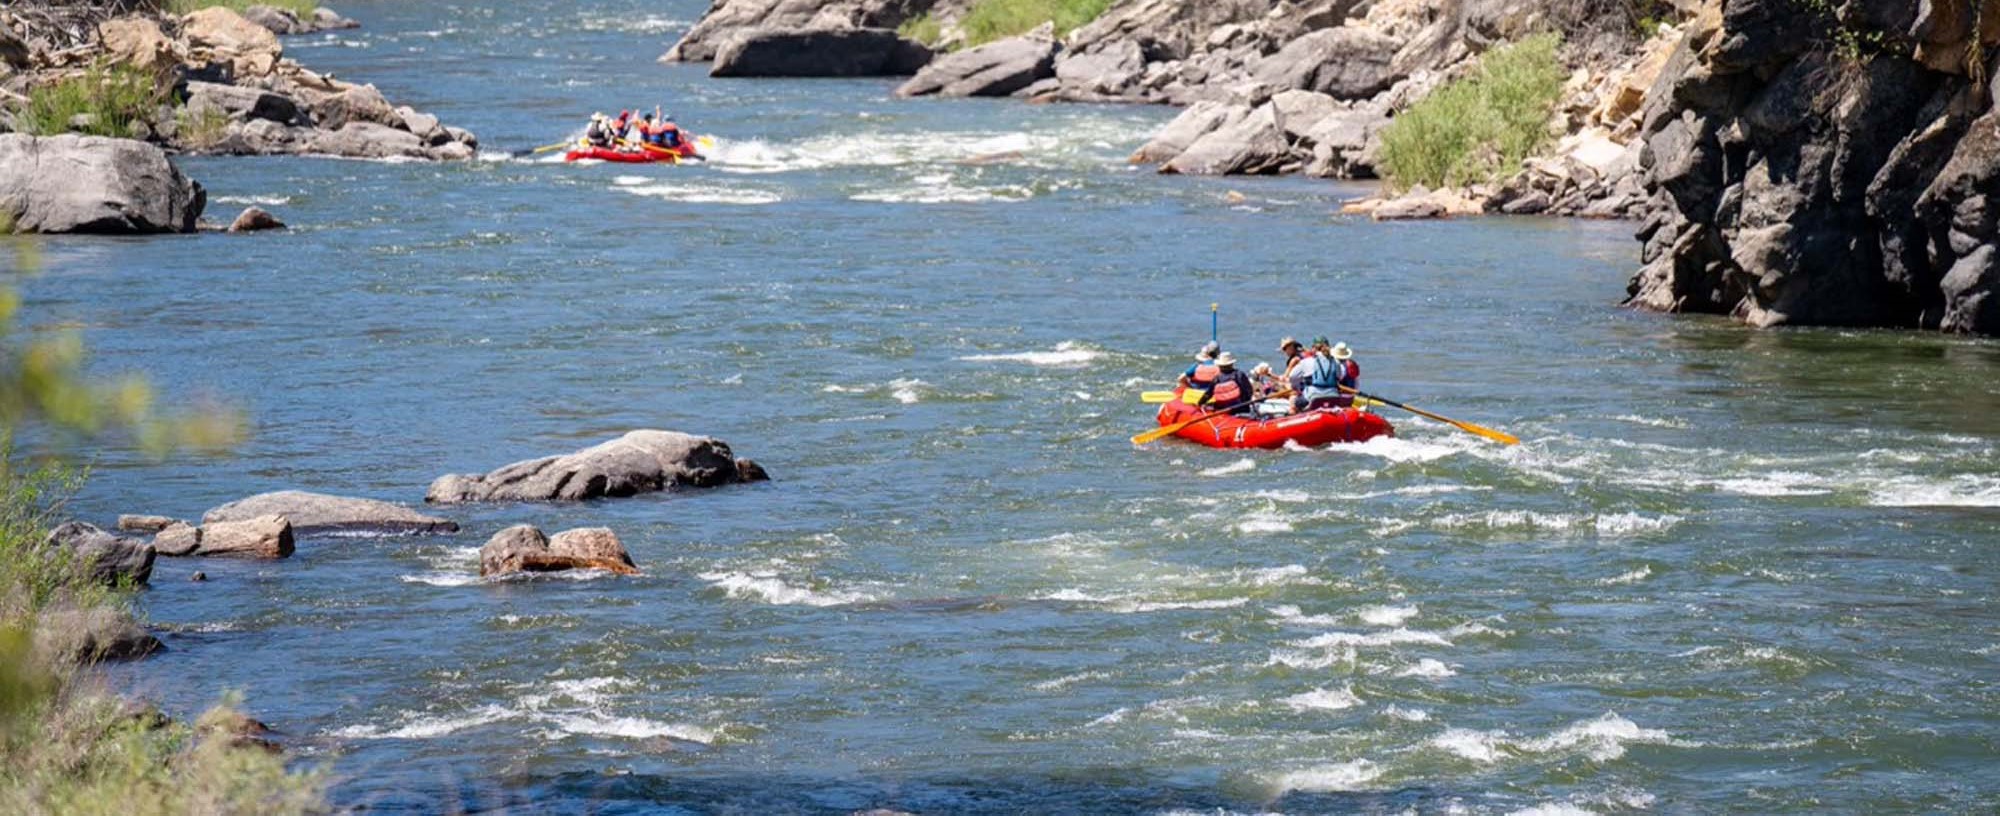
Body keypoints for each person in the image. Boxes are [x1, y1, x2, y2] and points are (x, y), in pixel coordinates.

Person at [1294, 336, 1350, 411]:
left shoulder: (1307, 361)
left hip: (1312, 396)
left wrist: (1297, 387)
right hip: (1333, 395)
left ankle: (1297, 414)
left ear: (1314, 348)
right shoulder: (1336, 362)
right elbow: (1340, 377)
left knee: (1297, 401)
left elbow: (1292, 377)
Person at [1199, 352, 1255, 416]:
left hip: (1223, 409)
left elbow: (1208, 394)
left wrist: (1200, 403)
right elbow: (1249, 391)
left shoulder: (1217, 379)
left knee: (1210, 405)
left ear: (1220, 366)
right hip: (1241, 408)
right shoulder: (1239, 374)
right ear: (1232, 364)